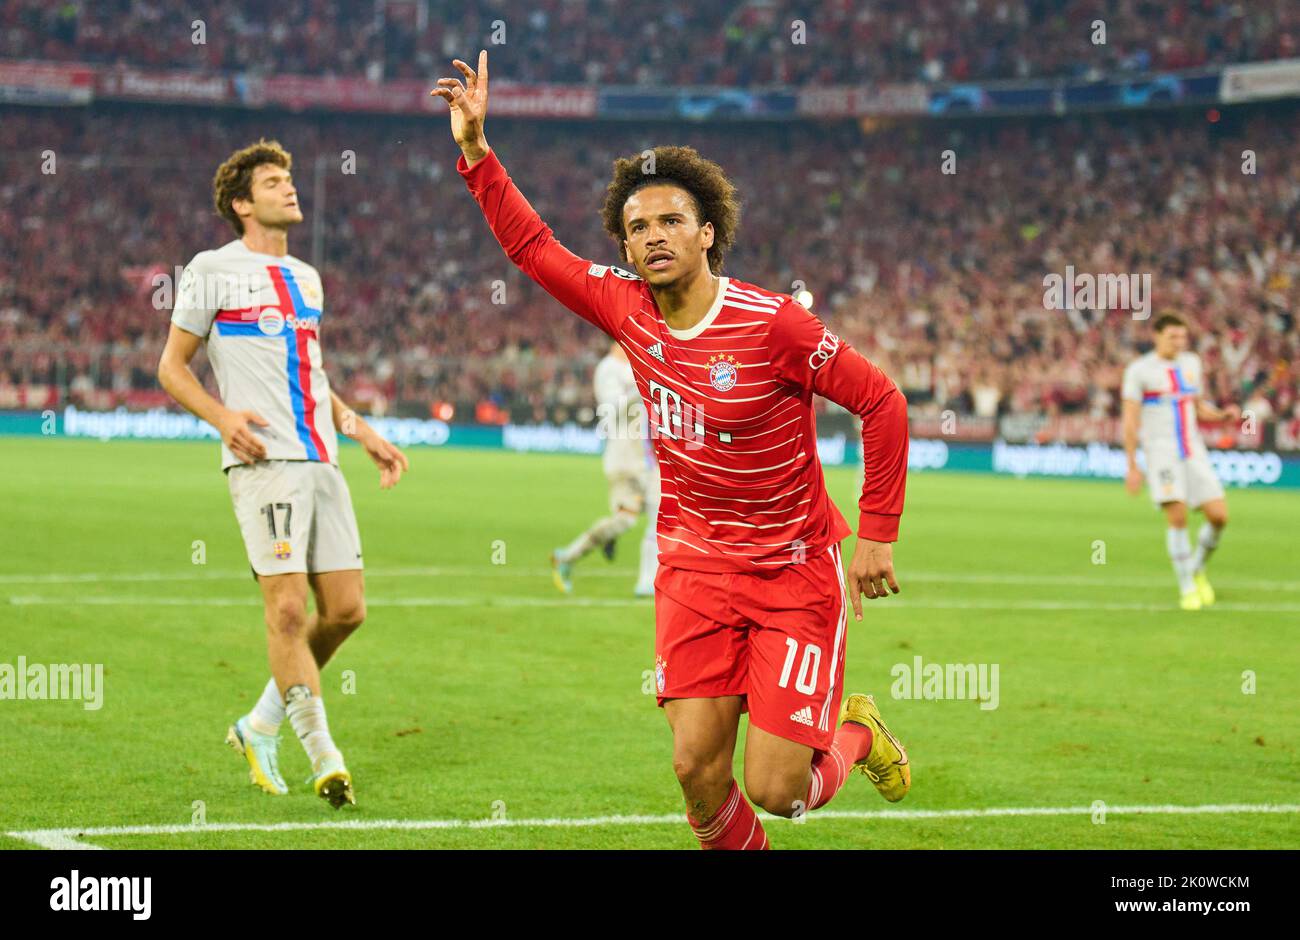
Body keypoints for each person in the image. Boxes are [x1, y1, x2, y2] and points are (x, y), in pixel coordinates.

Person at [433, 52, 911, 849]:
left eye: (670, 222)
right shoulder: (625, 309)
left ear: (707, 232)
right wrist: (478, 152)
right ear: (626, 245)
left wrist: (879, 533)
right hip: (694, 567)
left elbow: (881, 400)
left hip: (792, 568)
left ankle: (856, 734)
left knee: (777, 790)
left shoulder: (773, 325)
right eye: (638, 227)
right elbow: (533, 249)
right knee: (696, 769)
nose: (653, 237)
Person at [157, 139, 409, 807]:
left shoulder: (306, 278)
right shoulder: (212, 269)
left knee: (347, 610)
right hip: (263, 463)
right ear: (243, 203)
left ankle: (259, 721)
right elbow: (171, 368)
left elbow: (313, 377)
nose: (289, 189)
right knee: (289, 609)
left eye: (289, 179)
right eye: (273, 182)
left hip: (322, 459)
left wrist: (363, 431)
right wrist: (221, 417)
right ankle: (322, 753)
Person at [1122, 313, 1238, 610]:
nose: (1179, 342)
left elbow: (1197, 406)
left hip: (1194, 451)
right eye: (1172, 336)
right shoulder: (1140, 371)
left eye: (1182, 337)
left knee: (1219, 516)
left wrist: (1221, 415)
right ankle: (1187, 587)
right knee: (1178, 518)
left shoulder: (1191, 364)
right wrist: (1132, 465)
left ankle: (1197, 568)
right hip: (1162, 454)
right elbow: (1130, 420)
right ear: (1157, 336)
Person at [551, 343, 660, 596]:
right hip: (622, 457)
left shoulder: (637, 364)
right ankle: (567, 557)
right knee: (624, 520)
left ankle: (646, 582)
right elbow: (614, 410)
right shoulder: (608, 369)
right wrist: (643, 383)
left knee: (658, 513)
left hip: (645, 457)